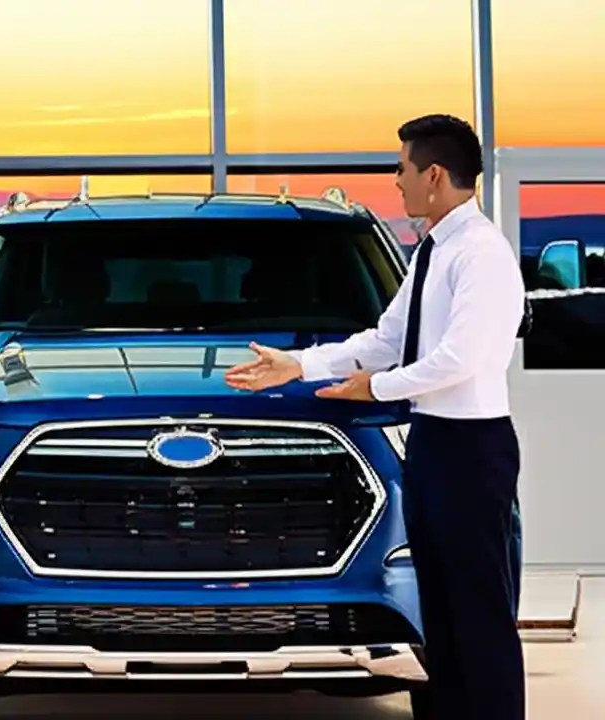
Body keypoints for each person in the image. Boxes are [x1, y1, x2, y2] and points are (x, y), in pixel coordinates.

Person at [225, 114, 526, 718]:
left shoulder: (482, 255)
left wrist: (375, 389)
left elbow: (459, 360)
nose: (396, 182)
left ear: (434, 174)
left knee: (478, 611)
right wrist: (299, 365)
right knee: (440, 611)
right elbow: (386, 338)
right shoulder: (431, 253)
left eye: (402, 169)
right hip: (434, 443)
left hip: (474, 450)